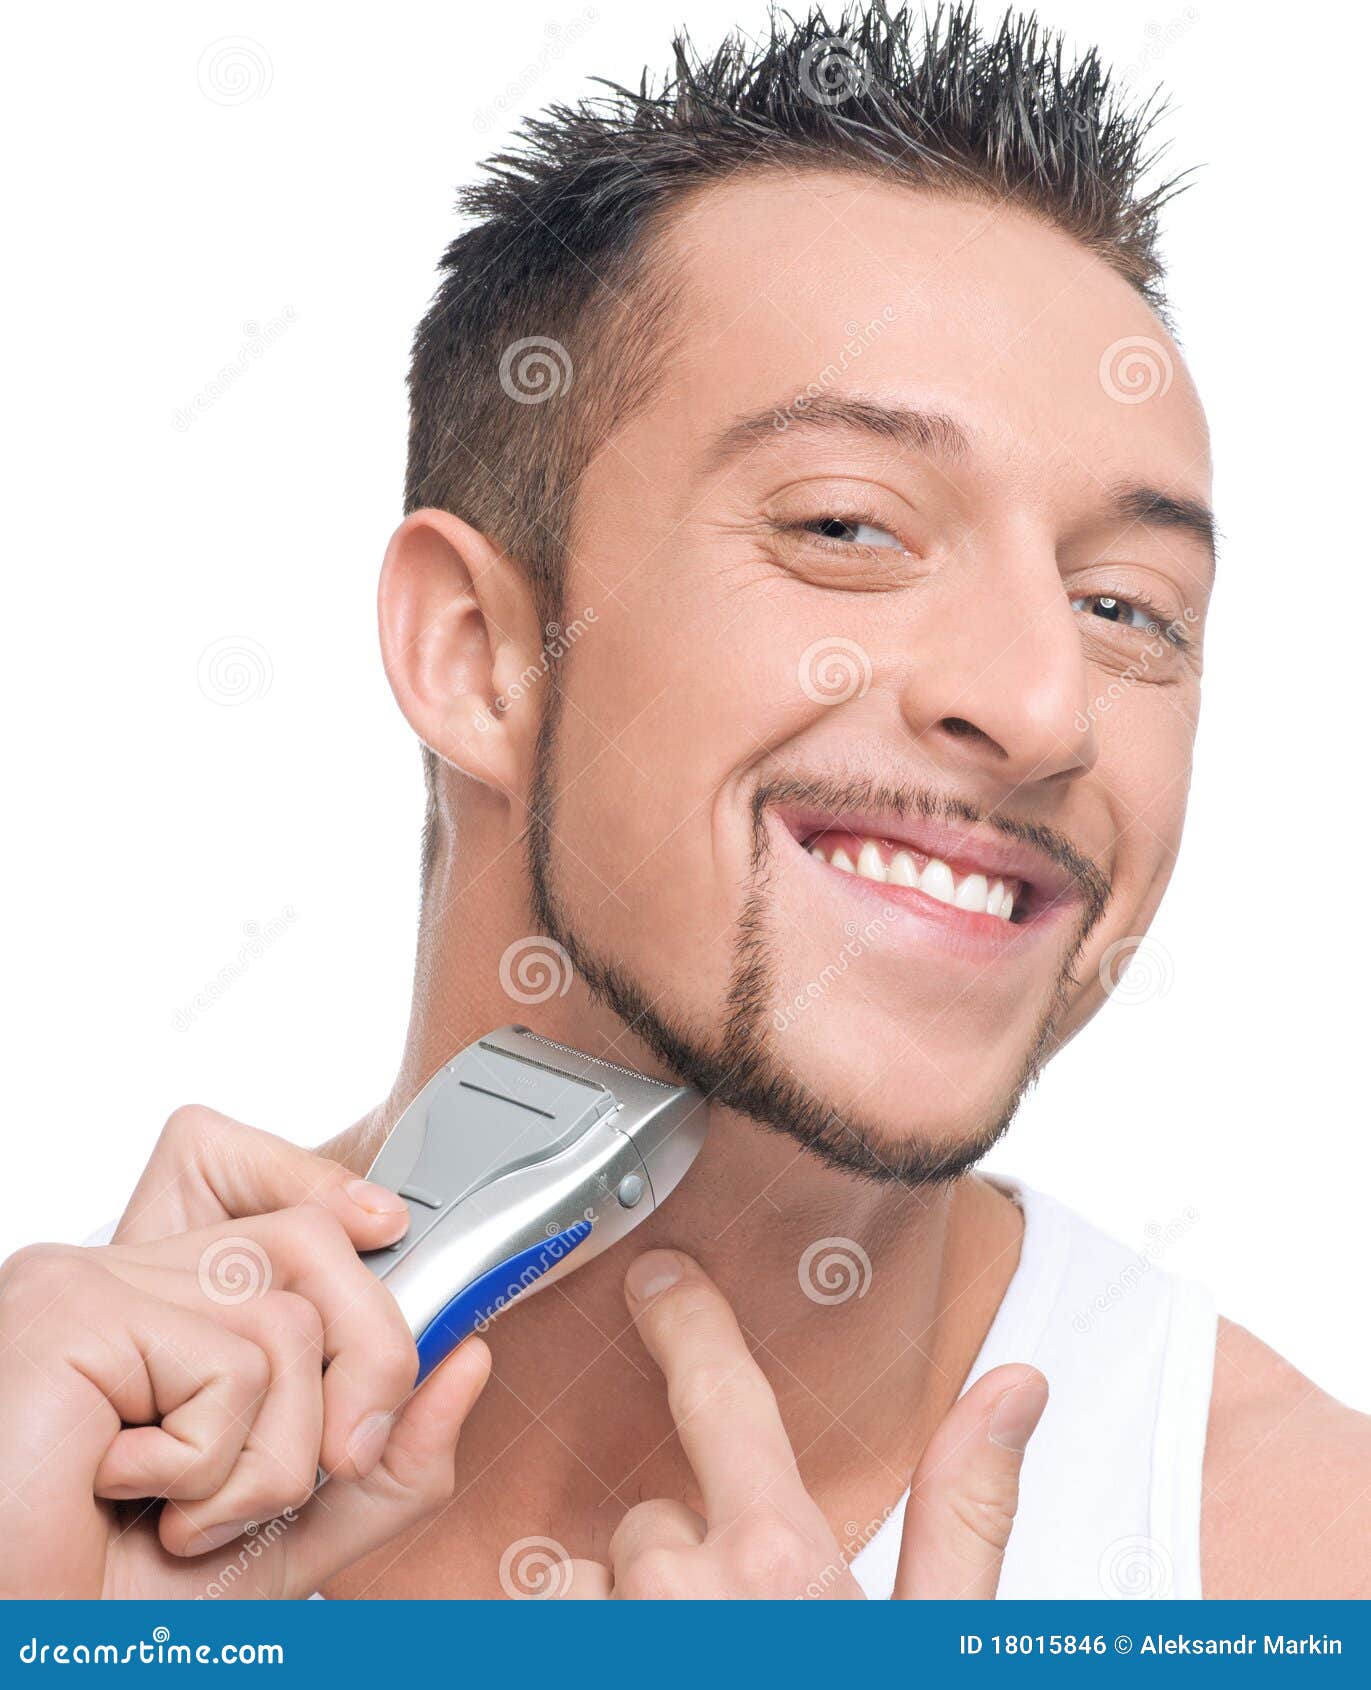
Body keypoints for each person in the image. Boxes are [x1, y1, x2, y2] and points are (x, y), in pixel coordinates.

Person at [2, 4, 1367, 1601]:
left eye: (1127, 607)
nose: (1043, 701)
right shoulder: (43, 1470)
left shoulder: (1305, 1569)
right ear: (478, 656)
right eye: (850, 526)